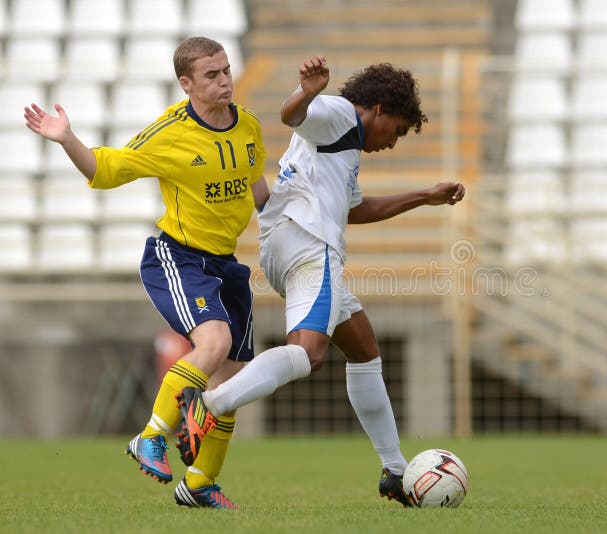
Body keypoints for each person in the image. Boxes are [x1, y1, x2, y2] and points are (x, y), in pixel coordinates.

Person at [175, 56, 465, 507]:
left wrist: (424, 196)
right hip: (310, 246)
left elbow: (356, 209)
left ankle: (394, 471)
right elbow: (293, 115)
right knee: (308, 354)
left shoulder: (343, 147)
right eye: (397, 130)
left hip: (286, 244)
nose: (393, 142)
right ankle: (209, 404)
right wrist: (307, 92)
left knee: (363, 348)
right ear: (380, 110)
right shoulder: (340, 114)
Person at [24, 37, 268, 510]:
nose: (224, 81)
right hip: (180, 257)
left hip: (228, 266)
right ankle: (151, 436)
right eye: (212, 75)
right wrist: (67, 138)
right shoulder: (170, 132)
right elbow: (105, 170)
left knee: (231, 383)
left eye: (226, 70)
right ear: (186, 83)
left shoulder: (249, 125)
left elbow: (258, 190)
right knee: (214, 342)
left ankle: (200, 484)